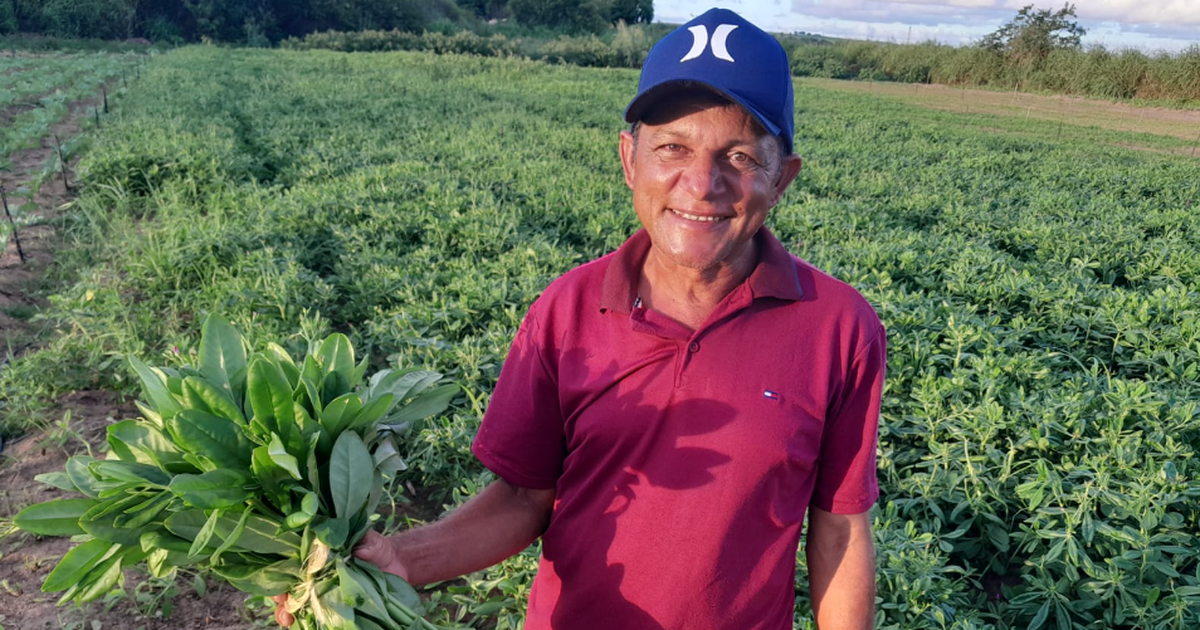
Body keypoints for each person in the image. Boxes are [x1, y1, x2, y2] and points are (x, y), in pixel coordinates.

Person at [277, 7, 884, 629]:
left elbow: (839, 529)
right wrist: (400, 558)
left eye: (740, 158)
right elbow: (521, 498)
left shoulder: (839, 328)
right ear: (630, 159)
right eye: (672, 147)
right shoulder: (566, 310)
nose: (702, 183)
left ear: (782, 178)